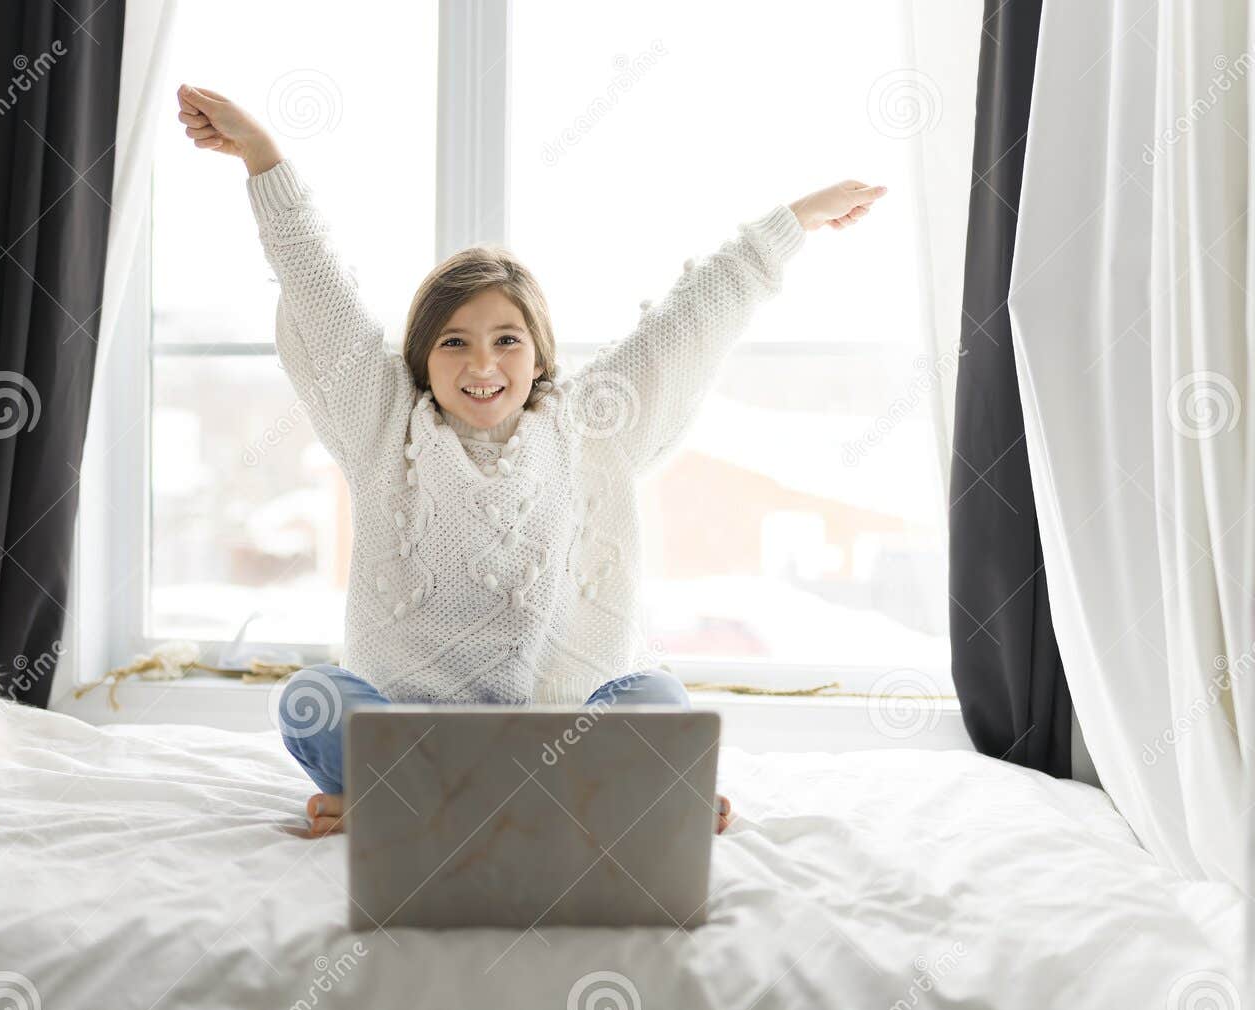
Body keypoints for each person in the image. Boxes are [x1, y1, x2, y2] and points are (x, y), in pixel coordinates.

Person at [177, 84, 885, 838]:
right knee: (310, 699)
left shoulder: (590, 425)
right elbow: (320, 292)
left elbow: (695, 317)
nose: (482, 363)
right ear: (423, 357)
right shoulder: (383, 423)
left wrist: (794, 221)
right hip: (417, 741)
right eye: (455, 341)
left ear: (540, 353)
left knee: (656, 698)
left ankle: (419, 809)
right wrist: (263, 156)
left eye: (506, 339)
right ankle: (587, 803)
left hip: (560, 739)